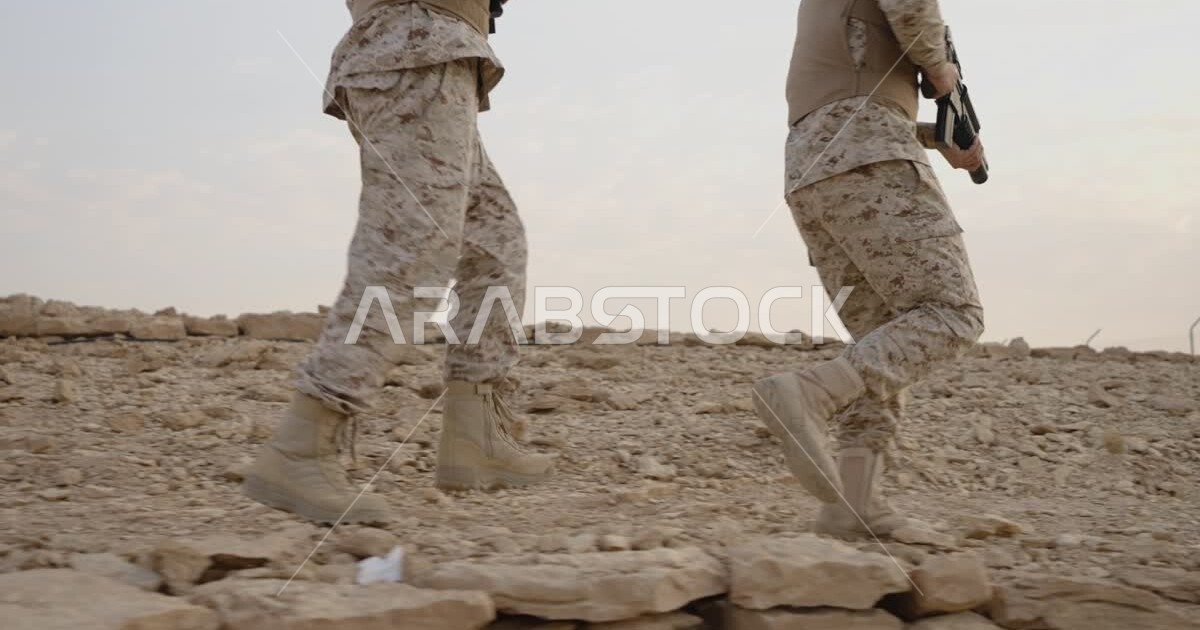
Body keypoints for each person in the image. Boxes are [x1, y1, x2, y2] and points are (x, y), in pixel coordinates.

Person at [241, 0, 554, 525]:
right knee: (412, 253)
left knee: (495, 247)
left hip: (443, 52)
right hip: (412, 44)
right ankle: (300, 446)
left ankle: (472, 438)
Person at [753, 0, 986, 537]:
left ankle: (852, 507)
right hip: (866, 148)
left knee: (882, 340)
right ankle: (810, 392)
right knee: (953, 311)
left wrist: (934, 135)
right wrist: (943, 76)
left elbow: (852, 86)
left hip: (816, 161)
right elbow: (911, 11)